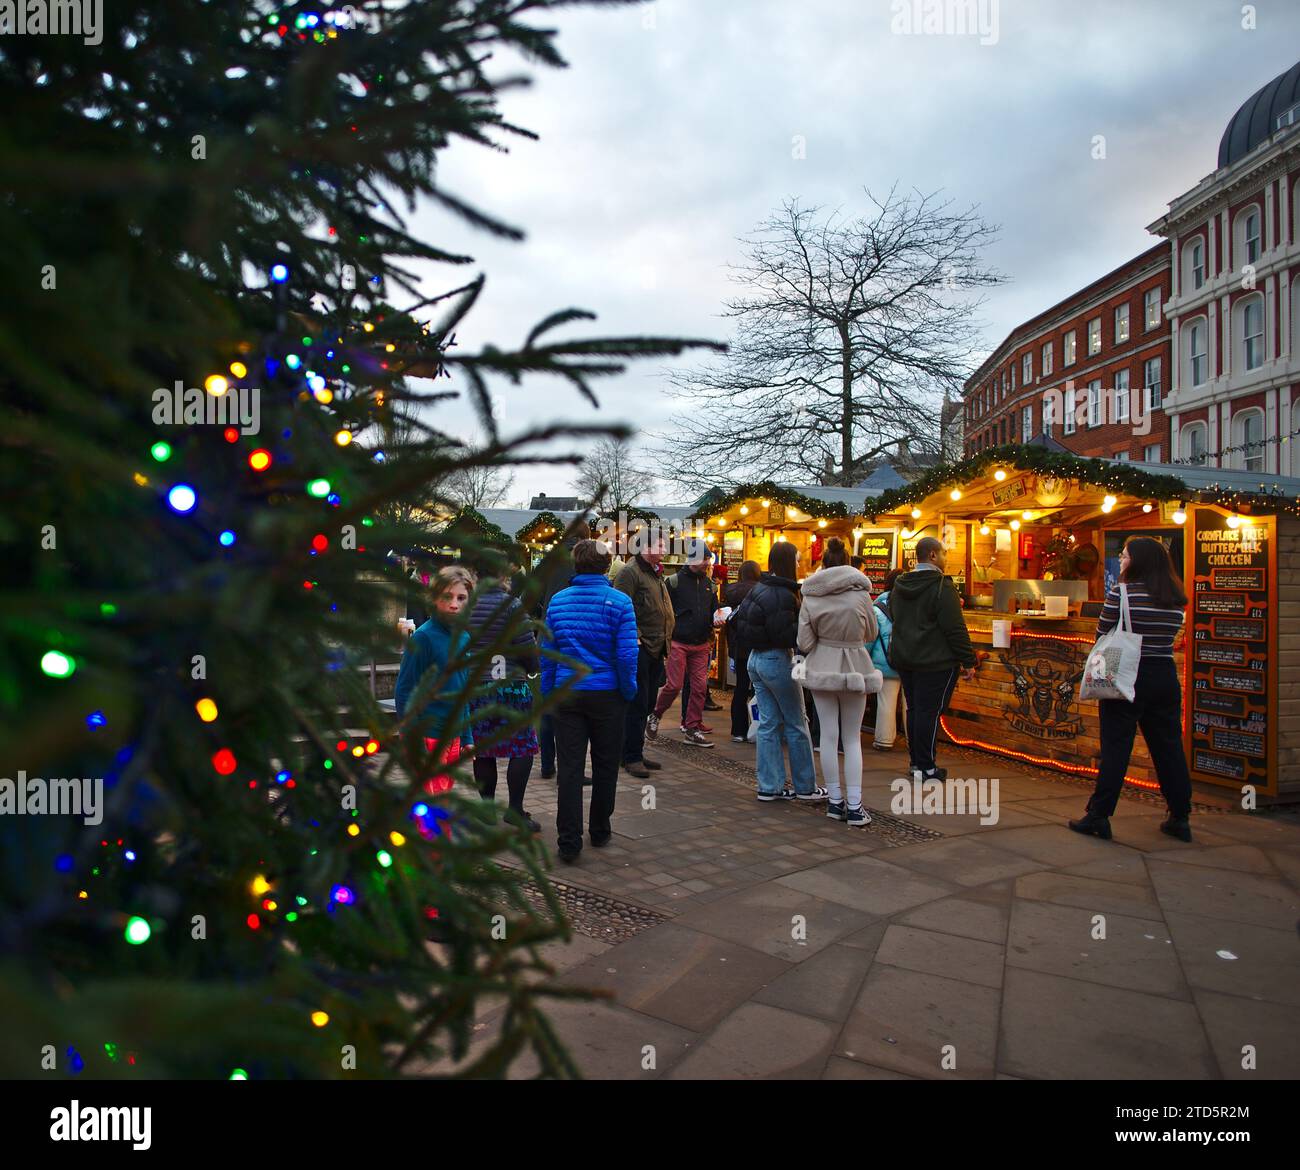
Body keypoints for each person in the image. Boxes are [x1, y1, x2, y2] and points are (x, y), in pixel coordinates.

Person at [1069, 536, 1194, 842]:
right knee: (1168, 748)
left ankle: (1099, 815)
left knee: (1116, 747)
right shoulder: (1176, 599)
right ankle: (1180, 816)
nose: (1121, 560)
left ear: (1138, 561)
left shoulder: (1121, 593)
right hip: (1164, 675)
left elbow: (1102, 633)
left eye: (1124, 556)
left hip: (1126, 673)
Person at [542, 539, 639, 863]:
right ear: (606, 564)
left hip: (567, 693)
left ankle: (568, 840)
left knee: (569, 768)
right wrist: (629, 690)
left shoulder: (557, 602)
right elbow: (627, 654)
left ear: (576, 564)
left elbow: (548, 654)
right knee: (605, 764)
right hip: (607, 693)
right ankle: (599, 828)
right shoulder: (620, 602)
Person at [731, 541, 827, 803]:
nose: (799, 564)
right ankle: (806, 786)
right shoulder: (784, 595)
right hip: (777, 659)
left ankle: (769, 786)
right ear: (787, 562)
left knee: (769, 725)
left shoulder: (760, 588)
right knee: (797, 722)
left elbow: (743, 624)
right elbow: (786, 635)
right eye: (796, 560)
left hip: (755, 660)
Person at [797, 538, 880, 826]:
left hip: (822, 666)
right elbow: (870, 632)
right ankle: (855, 806)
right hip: (856, 665)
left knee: (828, 737)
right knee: (852, 738)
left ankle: (834, 802)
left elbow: (804, 642)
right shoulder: (861, 595)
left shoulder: (812, 595)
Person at [888, 537, 977, 782]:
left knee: (915, 710)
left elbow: (894, 615)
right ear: (933, 556)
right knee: (928, 712)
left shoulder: (900, 584)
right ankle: (927, 767)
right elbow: (954, 628)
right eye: (945, 553)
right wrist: (968, 660)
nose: (947, 558)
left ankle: (917, 764)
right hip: (935, 662)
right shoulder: (941, 586)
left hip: (906, 658)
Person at [464, 569, 541, 832]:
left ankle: (486, 810)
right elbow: (526, 646)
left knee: (483, 749)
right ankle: (515, 810)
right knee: (521, 746)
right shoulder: (513, 605)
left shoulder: (466, 604)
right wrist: (533, 667)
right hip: (511, 686)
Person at [394, 564, 477, 795]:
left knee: (442, 800)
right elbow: (404, 692)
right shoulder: (424, 637)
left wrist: (467, 735)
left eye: (461, 598)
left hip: (453, 736)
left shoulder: (464, 636)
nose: (454, 604)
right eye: (447, 596)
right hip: (427, 736)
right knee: (429, 807)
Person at [613, 528, 673, 779]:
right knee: (637, 704)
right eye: (660, 545)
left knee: (647, 703)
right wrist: (635, 635)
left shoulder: (655, 573)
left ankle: (633, 750)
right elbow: (619, 605)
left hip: (657, 647)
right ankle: (631, 757)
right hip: (640, 647)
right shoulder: (630, 572)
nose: (664, 550)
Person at [648, 539, 719, 748]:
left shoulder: (710, 585)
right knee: (674, 685)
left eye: (708, 559)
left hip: (701, 643)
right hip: (678, 641)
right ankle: (656, 715)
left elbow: (714, 609)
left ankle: (692, 727)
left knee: (699, 687)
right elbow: (664, 610)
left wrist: (718, 617)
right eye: (704, 559)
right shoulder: (674, 582)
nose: (707, 563)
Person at [723, 559, 762, 741]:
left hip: (738, 648)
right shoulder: (761, 592)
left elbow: (726, 620)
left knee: (740, 689)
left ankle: (738, 731)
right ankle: (757, 728)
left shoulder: (730, 592)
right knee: (758, 690)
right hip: (757, 647)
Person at [870, 568, 907, 752]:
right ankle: (915, 741)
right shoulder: (913, 603)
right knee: (912, 705)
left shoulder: (878, 608)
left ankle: (884, 739)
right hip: (911, 662)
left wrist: (866, 658)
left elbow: (871, 638)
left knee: (886, 702)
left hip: (886, 662)